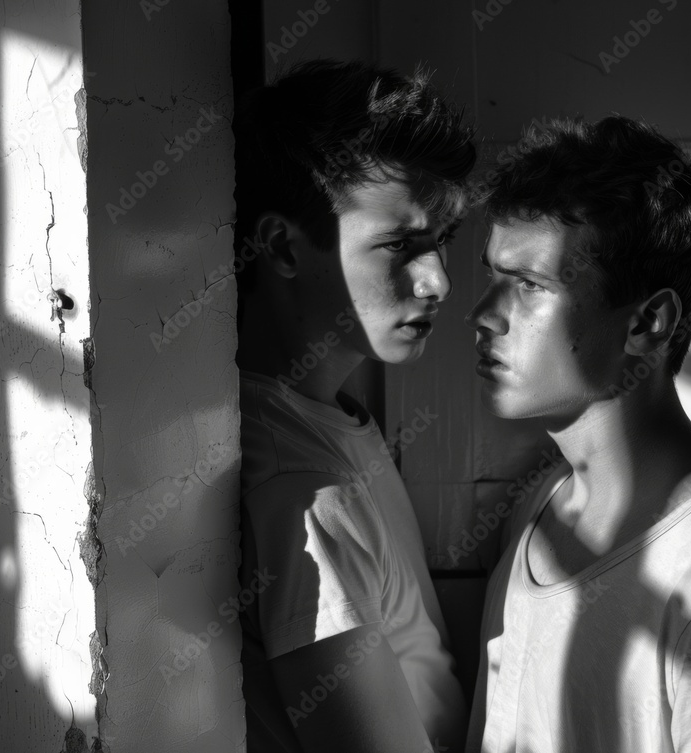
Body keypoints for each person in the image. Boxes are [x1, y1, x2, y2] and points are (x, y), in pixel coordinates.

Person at [463, 116, 691, 752]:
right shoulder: (543, 506)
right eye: (495, 276)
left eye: (529, 285)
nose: (485, 315)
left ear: (648, 323)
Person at [234, 59, 475, 753]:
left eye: (441, 242)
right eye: (399, 244)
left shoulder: (328, 422)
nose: (437, 281)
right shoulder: (299, 491)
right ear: (282, 246)